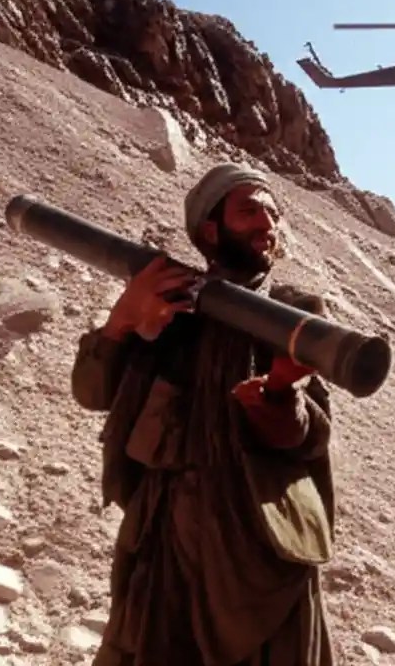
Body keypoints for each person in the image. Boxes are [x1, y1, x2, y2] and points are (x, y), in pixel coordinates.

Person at [70, 162, 338, 666]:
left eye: (274, 214)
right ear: (210, 230)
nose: (267, 224)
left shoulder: (294, 314)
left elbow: (312, 440)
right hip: (167, 533)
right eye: (250, 210)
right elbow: (91, 393)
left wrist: (281, 395)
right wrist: (121, 323)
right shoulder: (166, 305)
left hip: (256, 542)